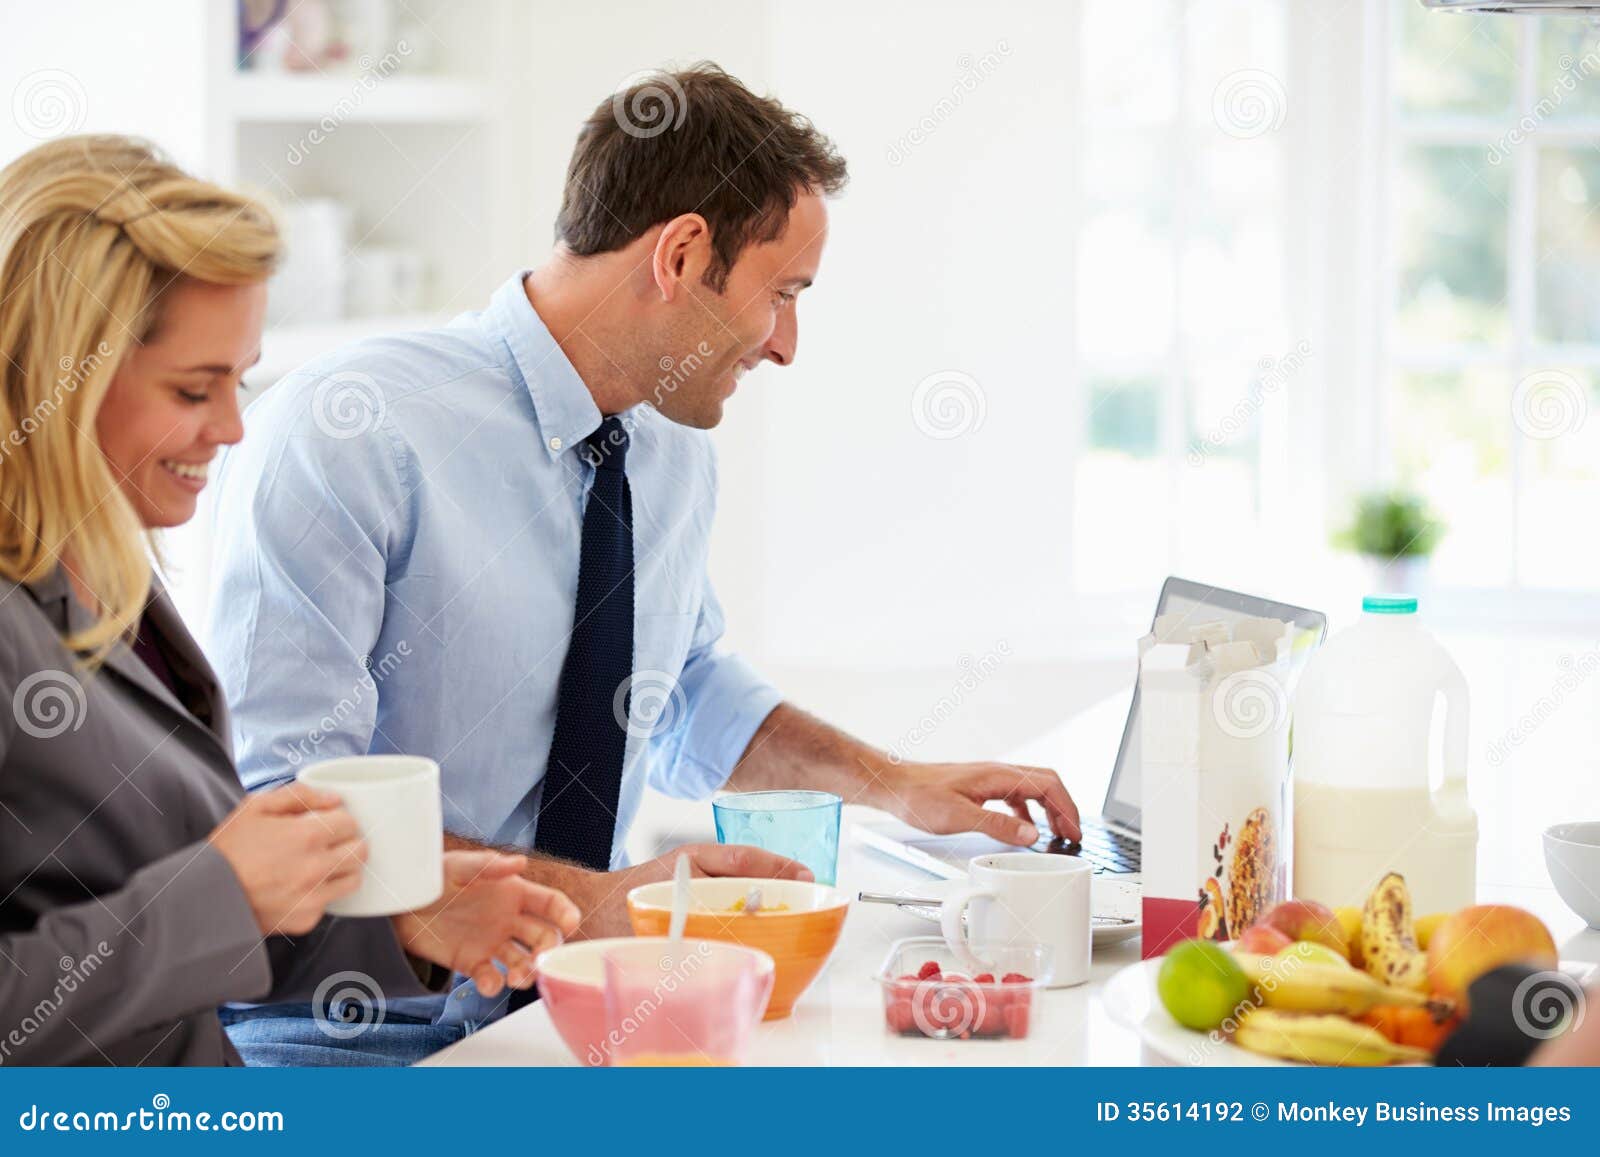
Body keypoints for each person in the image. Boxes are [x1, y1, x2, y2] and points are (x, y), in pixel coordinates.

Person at [206, 62, 1082, 1065]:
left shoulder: (666, 453)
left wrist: (897, 783)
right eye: (781, 292)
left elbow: (685, 690)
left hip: (581, 1004)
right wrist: (594, 902)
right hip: (359, 1031)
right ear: (680, 253)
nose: (787, 344)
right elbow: (284, 802)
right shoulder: (349, 431)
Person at [0, 135, 579, 1066]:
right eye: (195, 388)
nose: (232, 428)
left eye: (241, 376)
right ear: (57, 378)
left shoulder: (105, 575)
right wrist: (222, 894)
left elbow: (181, 913)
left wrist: (401, 924)